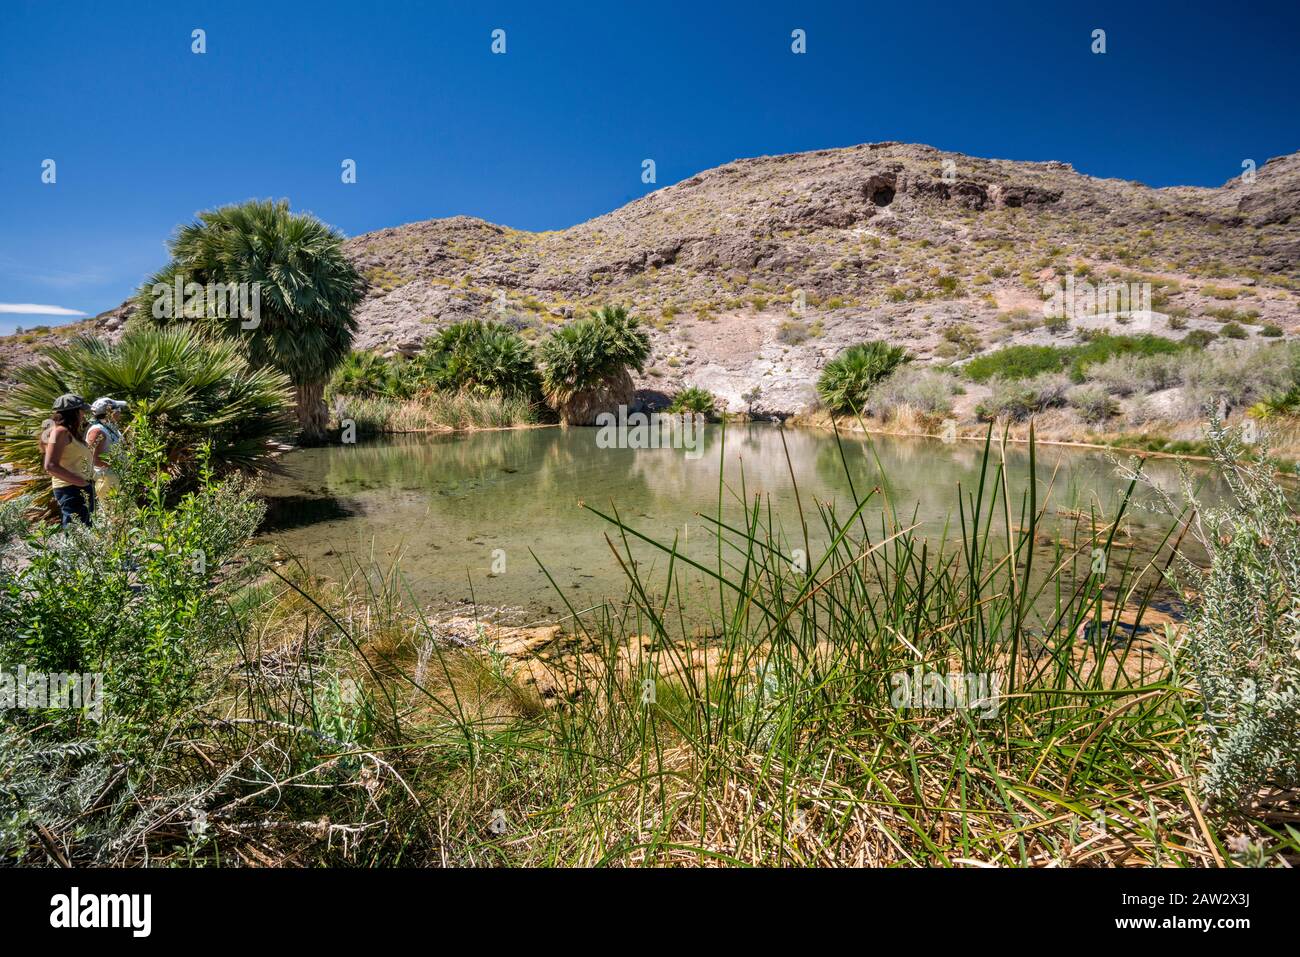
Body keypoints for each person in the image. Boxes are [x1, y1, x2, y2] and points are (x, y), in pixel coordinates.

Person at [42, 393, 95, 526]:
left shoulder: (69, 432)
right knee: (77, 533)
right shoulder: (59, 432)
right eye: (82, 410)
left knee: (85, 532)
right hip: (70, 488)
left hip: (78, 487)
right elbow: (50, 465)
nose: (83, 414)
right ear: (74, 412)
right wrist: (81, 482)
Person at [86, 397, 128, 501]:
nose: (120, 413)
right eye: (118, 409)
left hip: (116, 476)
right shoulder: (97, 430)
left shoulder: (109, 427)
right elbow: (94, 459)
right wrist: (118, 465)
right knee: (114, 513)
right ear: (110, 412)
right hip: (106, 478)